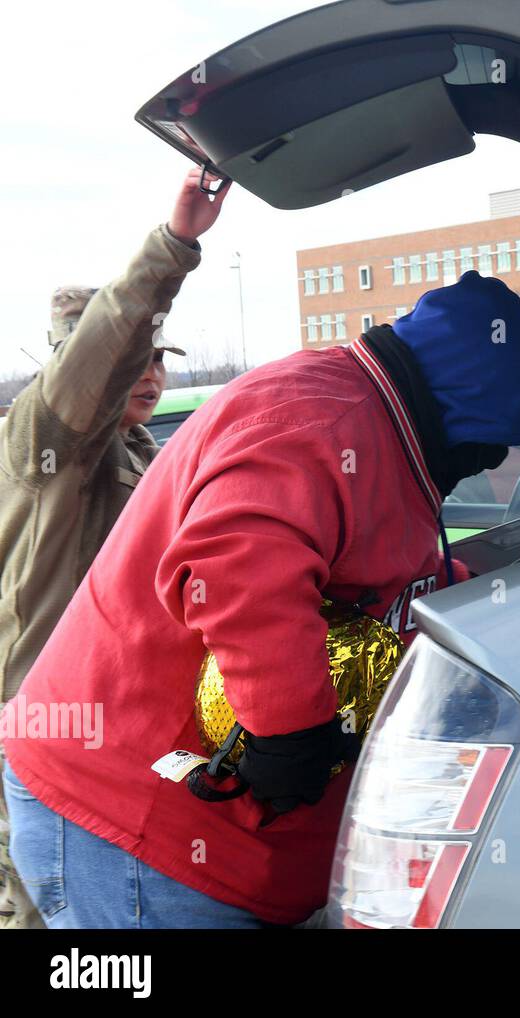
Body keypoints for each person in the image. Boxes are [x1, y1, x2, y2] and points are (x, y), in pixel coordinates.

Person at [2, 269, 520, 928]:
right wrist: (292, 728)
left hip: (225, 849)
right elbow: (240, 571)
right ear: (457, 412)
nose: (487, 460)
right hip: (136, 829)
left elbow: (383, 580)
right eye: (486, 442)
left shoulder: (391, 430)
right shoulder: (314, 421)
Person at [0, 168, 226, 929]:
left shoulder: (138, 451)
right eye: (138, 358)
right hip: (40, 726)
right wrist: (174, 247)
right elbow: (91, 370)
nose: (152, 373)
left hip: (112, 718)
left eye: (161, 358)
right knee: (43, 907)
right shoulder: (43, 444)